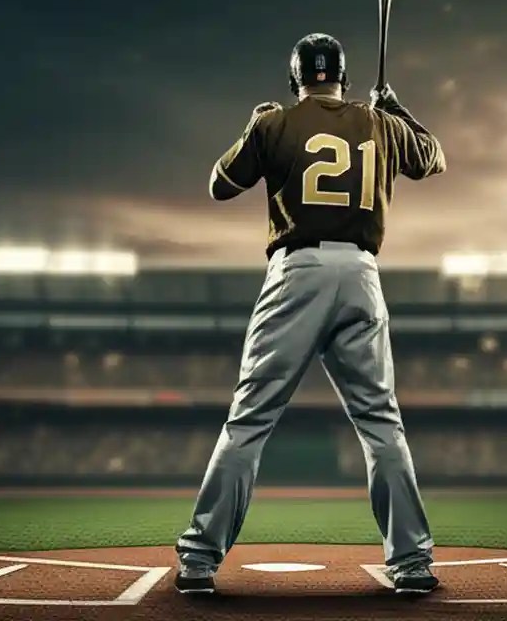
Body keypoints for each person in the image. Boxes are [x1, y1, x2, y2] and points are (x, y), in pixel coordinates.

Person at [174, 32, 446, 595]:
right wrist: (399, 110)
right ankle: (412, 564)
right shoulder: (382, 123)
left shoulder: (275, 123)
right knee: (381, 423)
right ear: (343, 77)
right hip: (362, 274)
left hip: (297, 272)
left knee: (249, 419)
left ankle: (199, 560)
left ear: (295, 78)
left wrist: (254, 126)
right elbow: (434, 158)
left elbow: (220, 186)